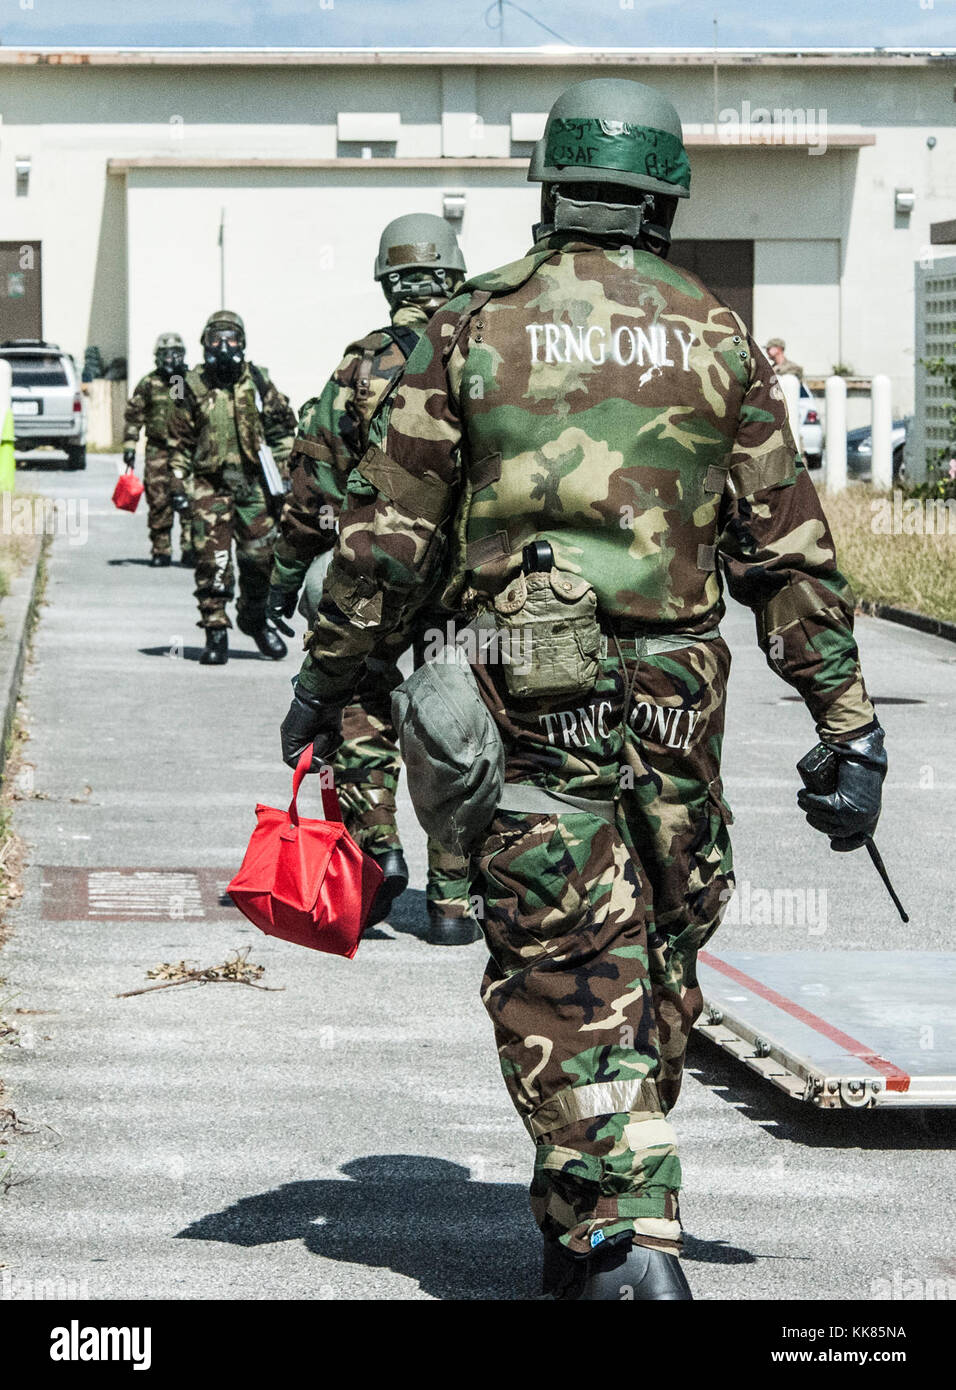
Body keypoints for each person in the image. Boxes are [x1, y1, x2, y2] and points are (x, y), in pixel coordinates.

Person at [279, 79, 885, 1300]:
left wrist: (326, 679)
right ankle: (591, 1218)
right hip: (677, 693)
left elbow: (384, 544)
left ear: (549, 185)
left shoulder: (468, 325)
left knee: (562, 954)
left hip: (522, 685)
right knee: (655, 940)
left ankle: (624, 1235)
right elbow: (787, 550)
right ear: (664, 194)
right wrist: (845, 722)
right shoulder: (714, 333)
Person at [268, 214, 478, 943]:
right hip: (469, 581)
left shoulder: (362, 364)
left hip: (381, 571)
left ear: (388, 282)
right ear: (454, 275)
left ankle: (377, 842)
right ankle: (454, 902)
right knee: (458, 715)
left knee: (360, 690)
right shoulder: (487, 351)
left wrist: (283, 575)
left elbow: (313, 487)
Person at [168, 310, 297, 666]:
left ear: (242, 342)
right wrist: (178, 486)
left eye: (231, 339)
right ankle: (216, 632)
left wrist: (287, 476)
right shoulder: (188, 385)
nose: (224, 347)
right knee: (214, 563)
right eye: (215, 339)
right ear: (204, 343)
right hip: (209, 488)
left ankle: (253, 618)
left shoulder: (258, 380)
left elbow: (282, 430)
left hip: (253, 487)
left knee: (261, 560)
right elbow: (177, 444)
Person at [122, 332, 194, 568]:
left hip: (185, 450)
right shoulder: (149, 383)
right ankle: (161, 550)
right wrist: (130, 445)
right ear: (157, 357)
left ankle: (190, 548)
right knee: (159, 501)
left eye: (175, 354)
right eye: (165, 354)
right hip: (157, 450)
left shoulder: (188, 382)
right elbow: (134, 417)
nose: (170, 359)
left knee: (188, 501)